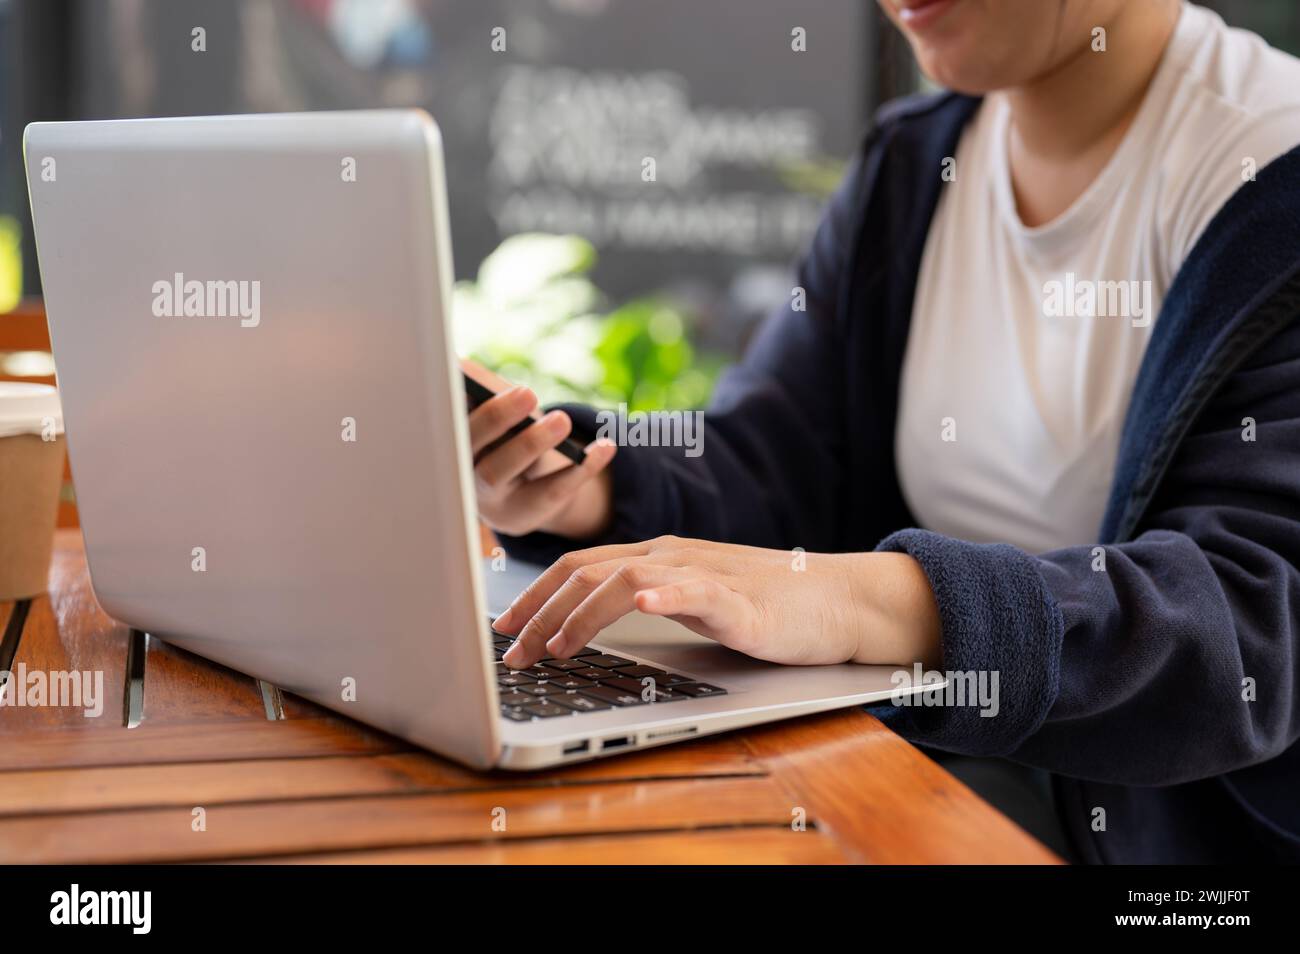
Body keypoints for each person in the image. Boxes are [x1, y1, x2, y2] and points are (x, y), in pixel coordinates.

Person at [464, 0, 1300, 863]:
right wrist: (588, 482)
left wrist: (873, 603)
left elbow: (1258, 621)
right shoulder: (916, 160)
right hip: (933, 774)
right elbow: (784, 458)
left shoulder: (1274, 174)